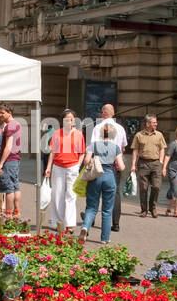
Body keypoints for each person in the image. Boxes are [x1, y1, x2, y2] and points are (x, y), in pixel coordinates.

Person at [80, 120, 124, 245]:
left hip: (95, 176)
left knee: (92, 207)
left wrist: (94, 159)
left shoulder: (93, 145)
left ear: (101, 133)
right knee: (107, 209)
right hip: (110, 177)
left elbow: (86, 160)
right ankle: (105, 238)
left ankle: (85, 227)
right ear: (114, 135)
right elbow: (121, 167)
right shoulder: (116, 148)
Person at [44, 108, 86, 236]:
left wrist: (78, 165)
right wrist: (48, 167)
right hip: (58, 167)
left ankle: (69, 224)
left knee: (71, 196)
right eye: (67, 119)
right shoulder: (57, 133)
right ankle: (58, 222)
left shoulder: (78, 134)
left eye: (71, 119)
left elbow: (82, 153)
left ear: (74, 121)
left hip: (72, 167)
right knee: (57, 195)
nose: (69, 121)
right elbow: (53, 152)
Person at [89, 104, 128, 231]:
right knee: (115, 193)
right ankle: (115, 223)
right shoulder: (120, 128)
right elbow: (123, 148)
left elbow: (93, 146)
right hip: (115, 165)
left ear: (103, 114)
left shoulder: (98, 127)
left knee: (94, 193)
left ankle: (91, 219)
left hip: (99, 163)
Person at [130, 115, 167, 218]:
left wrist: (161, 161)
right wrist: (133, 164)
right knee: (143, 188)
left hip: (156, 163)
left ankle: (153, 207)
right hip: (143, 163)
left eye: (156, 122)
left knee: (156, 186)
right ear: (147, 124)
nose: (156, 124)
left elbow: (162, 149)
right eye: (154, 122)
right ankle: (144, 209)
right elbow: (135, 150)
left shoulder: (159, 135)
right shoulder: (139, 135)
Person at [0, 104, 22, 218]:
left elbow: (9, 146)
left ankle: (8, 213)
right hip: (15, 159)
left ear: (9, 113)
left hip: (9, 160)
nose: (0, 115)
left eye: (2, 113)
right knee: (15, 186)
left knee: (8, 188)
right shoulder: (17, 124)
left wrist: (1, 164)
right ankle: (16, 211)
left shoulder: (10, 126)